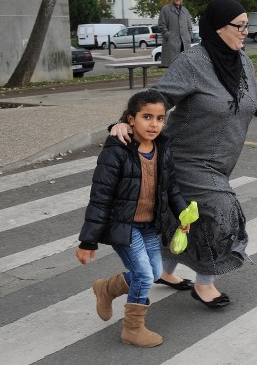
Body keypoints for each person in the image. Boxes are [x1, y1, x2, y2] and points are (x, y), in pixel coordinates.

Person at [111, 0, 257, 309]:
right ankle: (205, 284)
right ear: (218, 29)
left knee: (187, 222)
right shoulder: (192, 63)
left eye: (247, 25)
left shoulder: (242, 62)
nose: (246, 31)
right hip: (184, 160)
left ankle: (153, 273)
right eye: (239, 26)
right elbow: (158, 98)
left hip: (219, 164)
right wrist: (125, 122)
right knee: (222, 213)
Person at [76, 89, 190, 348]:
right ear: (130, 119)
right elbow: (100, 197)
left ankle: (107, 288)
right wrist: (87, 241)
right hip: (124, 226)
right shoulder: (117, 151)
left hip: (149, 225)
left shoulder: (162, 147)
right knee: (143, 275)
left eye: (160, 118)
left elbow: (170, 187)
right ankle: (133, 329)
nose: (154, 124)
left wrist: (182, 212)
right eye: (146, 117)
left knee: (153, 272)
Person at [158, 0, 193, 68]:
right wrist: (169, 37)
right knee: (172, 69)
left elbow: (189, 27)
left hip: (185, 45)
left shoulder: (185, 11)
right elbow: (161, 26)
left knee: (185, 69)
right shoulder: (166, 10)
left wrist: (189, 37)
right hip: (171, 46)